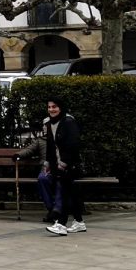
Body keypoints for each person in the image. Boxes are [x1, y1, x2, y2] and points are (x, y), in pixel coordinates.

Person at [43, 98, 85, 236]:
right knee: (71, 192)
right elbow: (50, 146)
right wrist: (48, 163)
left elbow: (74, 144)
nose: (51, 109)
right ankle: (79, 222)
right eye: (49, 107)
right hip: (57, 165)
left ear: (61, 107)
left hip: (70, 165)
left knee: (65, 192)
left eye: (54, 106)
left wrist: (65, 162)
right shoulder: (49, 124)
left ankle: (61, 224)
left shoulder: (68, 122)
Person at [16, 117, 56, 223]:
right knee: (42, 178)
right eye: (43, 125)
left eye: (46, 124)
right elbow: (29, 150)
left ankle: (59, 209)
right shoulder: (41, 140)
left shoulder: (60, 138)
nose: (44, 127)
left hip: (61, 167)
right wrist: (18, 155)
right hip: (47, 168)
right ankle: (52, 209)